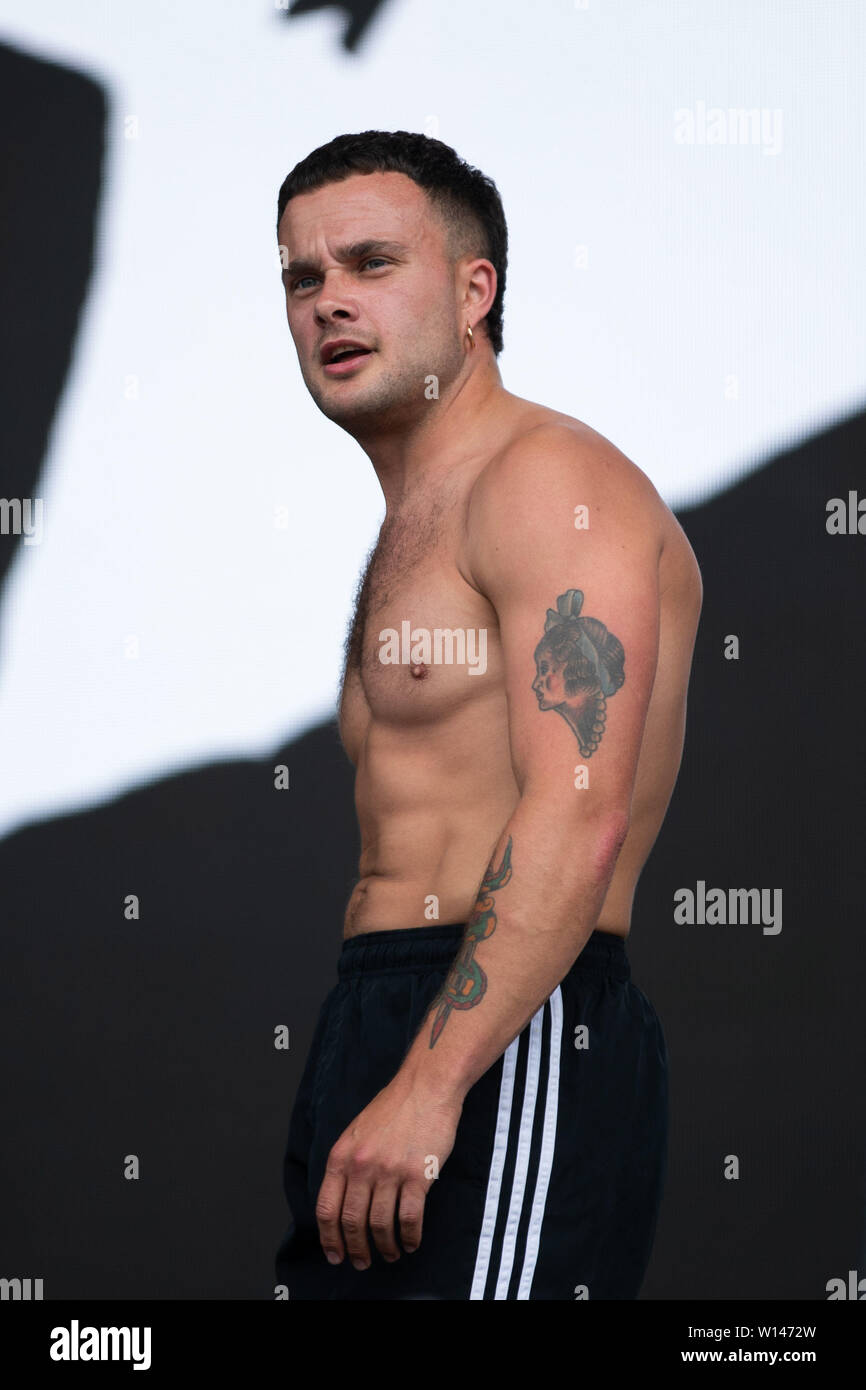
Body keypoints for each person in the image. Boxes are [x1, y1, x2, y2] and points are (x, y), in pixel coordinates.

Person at [272, 130, 702, 1300]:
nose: (329, 304)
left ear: (475, 291)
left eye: (369, 263)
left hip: (510, 1034)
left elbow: (578, 814)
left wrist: (432, 1080)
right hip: (388, 1011)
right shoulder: (423, 512)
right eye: (302, 279)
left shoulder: (546, 483)